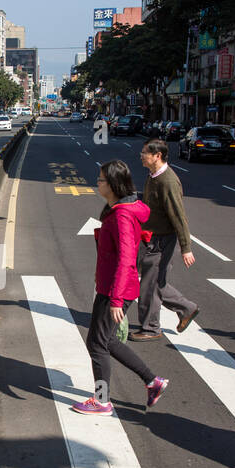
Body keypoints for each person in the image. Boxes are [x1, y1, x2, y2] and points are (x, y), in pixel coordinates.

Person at [72, 159, 169, 416]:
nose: (97, 183)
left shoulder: (123, 215)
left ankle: (102, 401)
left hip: (116, 289)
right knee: (108, 340)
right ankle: (152, 381)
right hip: (113, 286)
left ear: (114, 185)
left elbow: (126, 258)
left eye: (101, 179)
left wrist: (115, 299)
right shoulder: (119, 210)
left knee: (96, 344)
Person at [129, 139, 199, 340]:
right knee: (154, 281)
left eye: (144, 153)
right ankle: (187, 308)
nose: (141, 156)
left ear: (157, 156)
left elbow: (178, 216)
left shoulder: (167, 181)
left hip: (161, 240)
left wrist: (186, 247)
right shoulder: (153, 175)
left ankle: (151, 328)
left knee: (150, 285)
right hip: (150, 237)